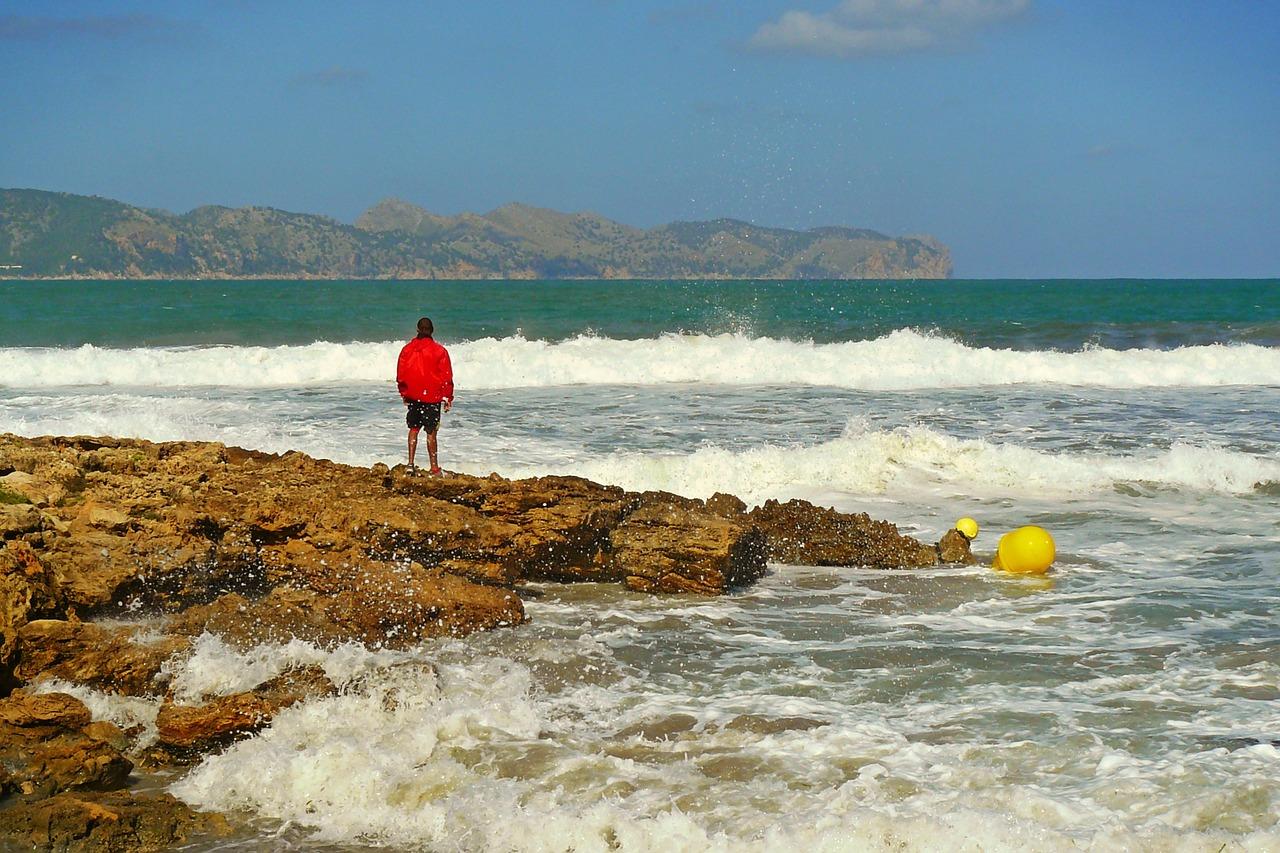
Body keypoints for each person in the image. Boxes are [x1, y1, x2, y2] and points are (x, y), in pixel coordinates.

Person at [396, 317, 453, 475]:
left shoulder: (407, 350)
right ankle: (434, 468)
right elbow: (446, 376)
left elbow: (401, 374)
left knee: (413, 429)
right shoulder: (440, 351)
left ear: (417, 329)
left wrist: (404, 393)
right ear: (432, 330)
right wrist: (448, 397)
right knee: (431, 432)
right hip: (432, 396)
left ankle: (410, 464)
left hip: (414, 395)